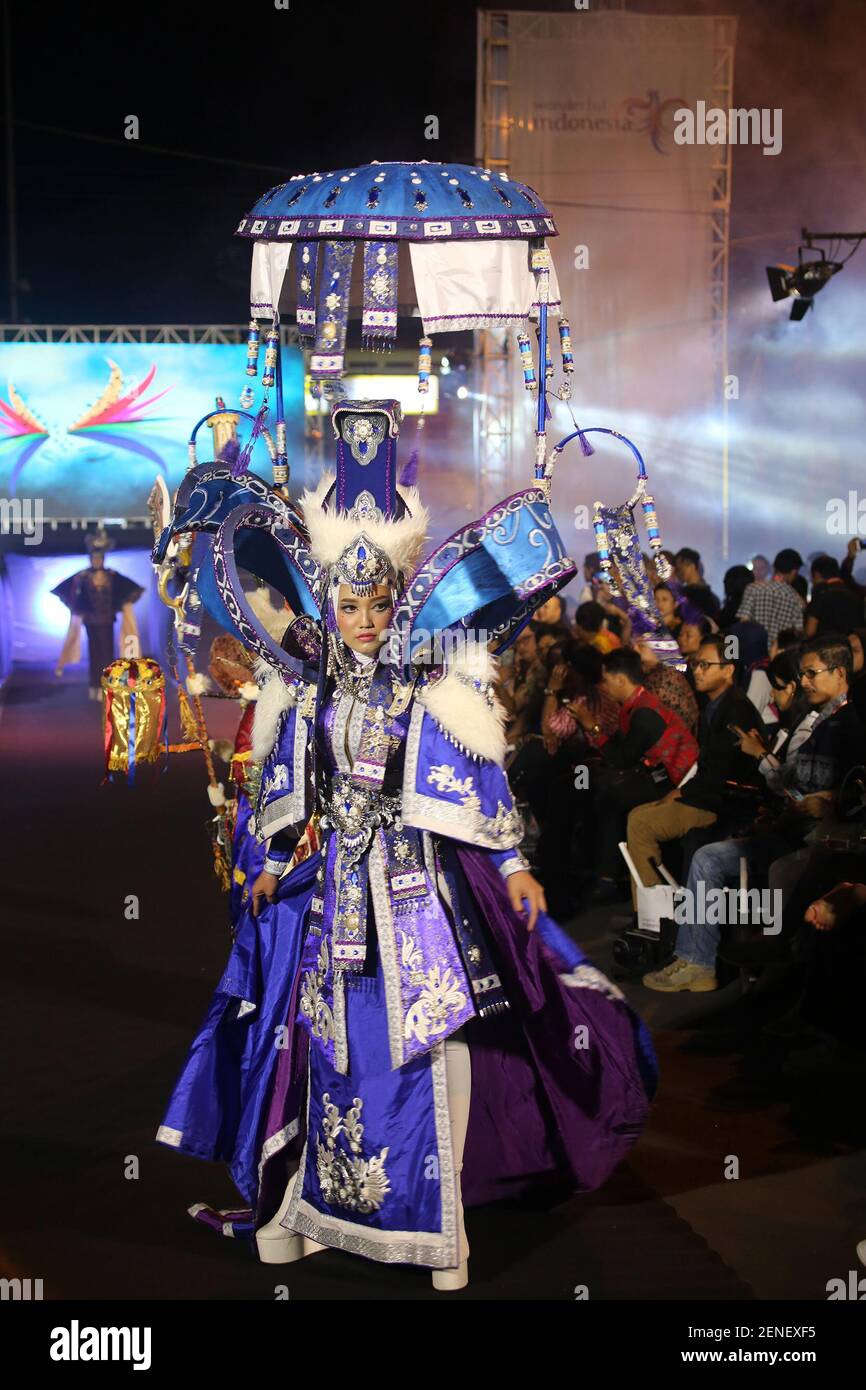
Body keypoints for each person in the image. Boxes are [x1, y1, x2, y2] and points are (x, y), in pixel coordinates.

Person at [155, 398, 656, 1291]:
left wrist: (512, 863)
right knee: (311, 1042)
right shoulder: (308, 692)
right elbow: (292, 784)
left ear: (396, 600)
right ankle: (303, 1213)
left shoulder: (432, 688)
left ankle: (443, 1233)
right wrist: (270, 862)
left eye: (375, 602)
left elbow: (474, 778)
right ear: (331, 603)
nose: (362, 617)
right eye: (348, 603)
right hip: (332, 885)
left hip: (416, 890)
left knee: (432, 1040)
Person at [624, 633, 762, 903]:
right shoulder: (717, 704)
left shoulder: (736, 711)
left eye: (705, 665)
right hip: (707, 794)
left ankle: (656, 911)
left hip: (722, 804)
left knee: (640, 822)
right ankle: (657, 904)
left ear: (729, 669)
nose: (697, 671)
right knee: (639, 813)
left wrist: (685, 793)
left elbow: (722, 773)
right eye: (696, 664)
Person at [572, 647, 699, 903]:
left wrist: (592, 727)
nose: (604, 686)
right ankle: (599, 869)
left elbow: (623, 757)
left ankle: (607, 879)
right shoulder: (635, 705)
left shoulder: (644, 713)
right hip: (654, 775)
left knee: (611, 796)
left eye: (606, 680)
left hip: (677, 783)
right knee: (591, 786)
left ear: (620, 679)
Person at [52, 529, 144, 699]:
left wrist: (121, 604)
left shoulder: (111, 575)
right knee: (95, 654)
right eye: (94, 557)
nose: (97, 560)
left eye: (100, 558)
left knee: (108, 653)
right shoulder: (83, 576)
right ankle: (95, 685)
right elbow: (65, 591)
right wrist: (79, 607)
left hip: (107, 621)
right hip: (91, 621)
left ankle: (107, 685)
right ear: (90, 559)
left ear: (103, 559)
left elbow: (131, 589)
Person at [736, 548, 805, 647]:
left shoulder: (753, 588)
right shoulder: (796, 599)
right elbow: (798, 631)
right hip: (778, 654)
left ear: (774, 567)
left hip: (753, 650)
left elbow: (743, 621)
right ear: (794, 571)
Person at [804, 554, 864, 637]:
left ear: (816, 575)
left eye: (812, 577)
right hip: (853, 646)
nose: (811, 581)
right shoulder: (856, 595)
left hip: (826, 646)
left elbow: (810, 631)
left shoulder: (820, 594)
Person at [673, 547, 721, 620]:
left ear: (692, 566)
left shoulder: (692, 593)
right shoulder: (709, 594)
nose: (679, 572)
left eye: (680, 568)